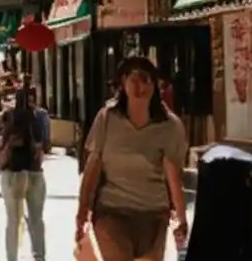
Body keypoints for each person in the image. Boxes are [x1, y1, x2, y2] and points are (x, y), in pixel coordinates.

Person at [77, 56, 189, 261]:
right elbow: (93, 166)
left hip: (154, 215)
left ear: (155, 86)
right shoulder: (107, 118)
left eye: (146, 80)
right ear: (123, 84)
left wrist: (181, 218)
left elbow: (173, 174)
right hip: (112, 212)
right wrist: (82, 211)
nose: (140, 87)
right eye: (134, 80)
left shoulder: (169, 126)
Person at [0, 87, 44, 261]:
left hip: (11, 173)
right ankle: (39, 255)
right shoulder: (39, 117)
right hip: (34, 172)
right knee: (36, 218)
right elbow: (43, 146)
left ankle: (12, 257)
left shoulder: (7, 117)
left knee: (12, 220)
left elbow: (0, 145)